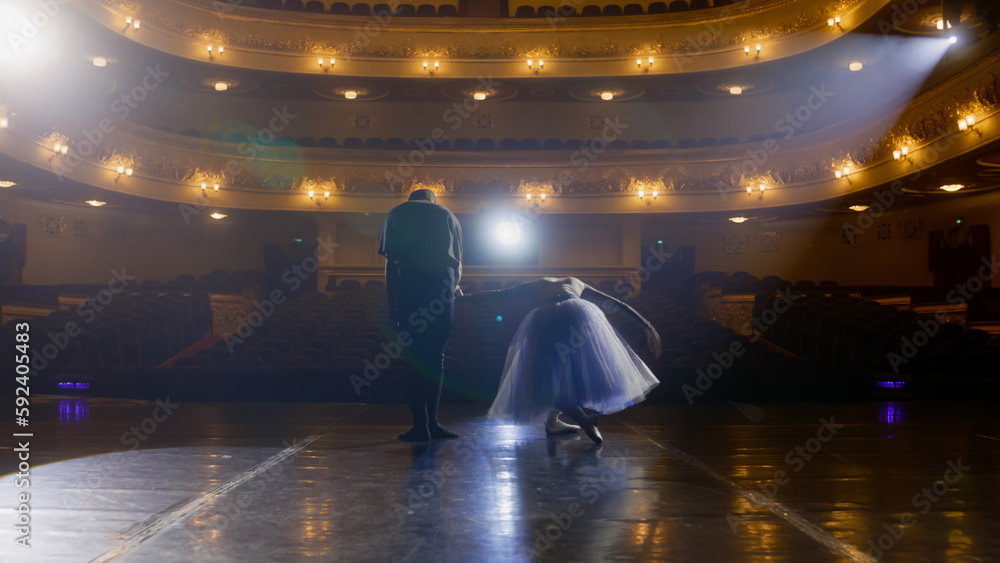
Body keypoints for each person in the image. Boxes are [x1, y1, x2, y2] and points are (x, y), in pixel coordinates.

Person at [461, 277, 661, 444]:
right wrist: (647, 326)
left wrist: (465, 298)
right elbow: (616, 304)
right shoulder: (577, 281)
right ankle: (554, 422)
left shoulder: (538, 283)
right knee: (567, 371)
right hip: (580, 315)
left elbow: (498, 294)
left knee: (548, 375)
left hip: (546, 319)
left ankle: (583, 420)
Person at [378, 189, 463, 442]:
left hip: (409, 292)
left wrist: (392, 304)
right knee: (436, 360)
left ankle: (421, 426)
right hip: (441, 295)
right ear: (433, 200)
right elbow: (457, 267)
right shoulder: (449, 216)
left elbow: (391, 264)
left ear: (411, 198)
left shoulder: (397, 213)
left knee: (413, 360)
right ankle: (434, 423)